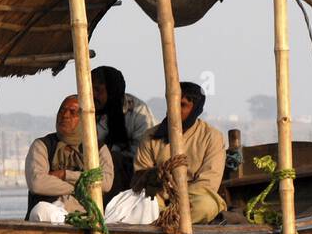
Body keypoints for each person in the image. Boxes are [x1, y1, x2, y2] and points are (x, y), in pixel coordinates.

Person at [132, 81, 227, 224]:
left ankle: (165, 222)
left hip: (192, 200)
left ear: (195, 108)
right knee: (142, 203)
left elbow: (208, 183)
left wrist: (178, 200)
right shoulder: (150, 136)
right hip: (158, 198)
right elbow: (140, 175)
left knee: (206, 205)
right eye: (172, 102)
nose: (174, 109)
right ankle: (165, 221)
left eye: (182, 105)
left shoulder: (212, 137)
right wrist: (158, 178)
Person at [25, 95, 114, 223]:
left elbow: (105, 183)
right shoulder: (42, 145)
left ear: (84, 119)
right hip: (50, 212)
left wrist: (65, 175)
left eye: (73, 112)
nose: (65, 115)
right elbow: (37, 183)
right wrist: (80, 189)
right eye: (62, 110)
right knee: (42, 210)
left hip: (85, 215)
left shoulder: (98, 149)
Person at [90, 65, 156, 199]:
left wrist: (109, 155)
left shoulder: (138, 112)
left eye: (97, 90)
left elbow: (143, 152)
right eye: (89, 89)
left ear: (112, 91)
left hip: (130, 173)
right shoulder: (85, 111)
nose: (92, 95)